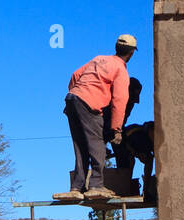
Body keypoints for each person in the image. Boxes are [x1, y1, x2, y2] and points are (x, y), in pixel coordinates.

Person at [54, 33, 136, 202]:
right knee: (97, 144)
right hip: (89, 104)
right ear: (131, 53)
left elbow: (75, 75)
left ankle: (77, 187)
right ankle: (96, 185)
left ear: (116, 47)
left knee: (80, 145)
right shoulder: (121, 69)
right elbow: (119, 100)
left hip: (72, 99)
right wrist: (116, 129)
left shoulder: (99, 59)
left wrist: (77, 94)